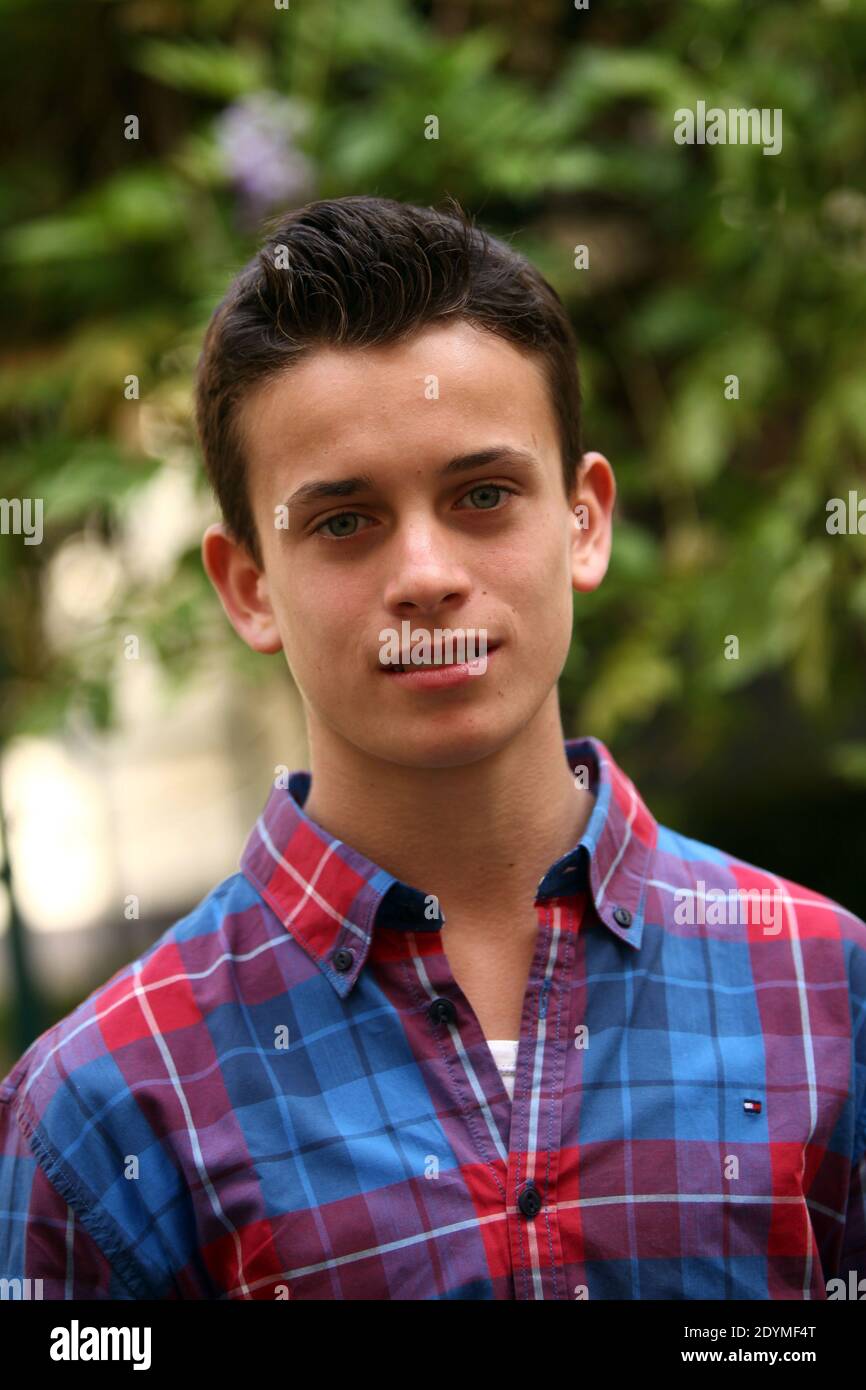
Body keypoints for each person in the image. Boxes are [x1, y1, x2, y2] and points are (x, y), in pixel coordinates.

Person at [1, 196, 863, 1300]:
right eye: (345, 521)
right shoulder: (106, 1105)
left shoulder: (822, 989)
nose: (424, 571)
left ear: (583, 521)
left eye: (483, 495)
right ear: (248, 586)